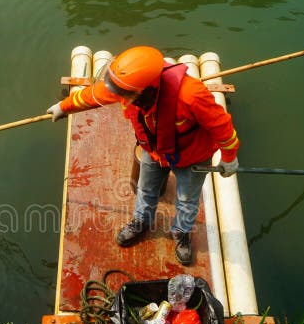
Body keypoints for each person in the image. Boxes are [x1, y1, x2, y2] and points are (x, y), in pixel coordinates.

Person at [47, 46, 240, 265]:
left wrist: (229, 157)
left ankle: (181, 233)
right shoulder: (125, 87)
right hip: (154, 151)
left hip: (191, 156)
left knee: (187, 200)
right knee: (145, 188)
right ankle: (140, 222)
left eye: (125, 95)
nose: (118, 97)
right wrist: (64, 107)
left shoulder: (191, 95)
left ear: (146, 91)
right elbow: (93, 95)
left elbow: (222, 126)